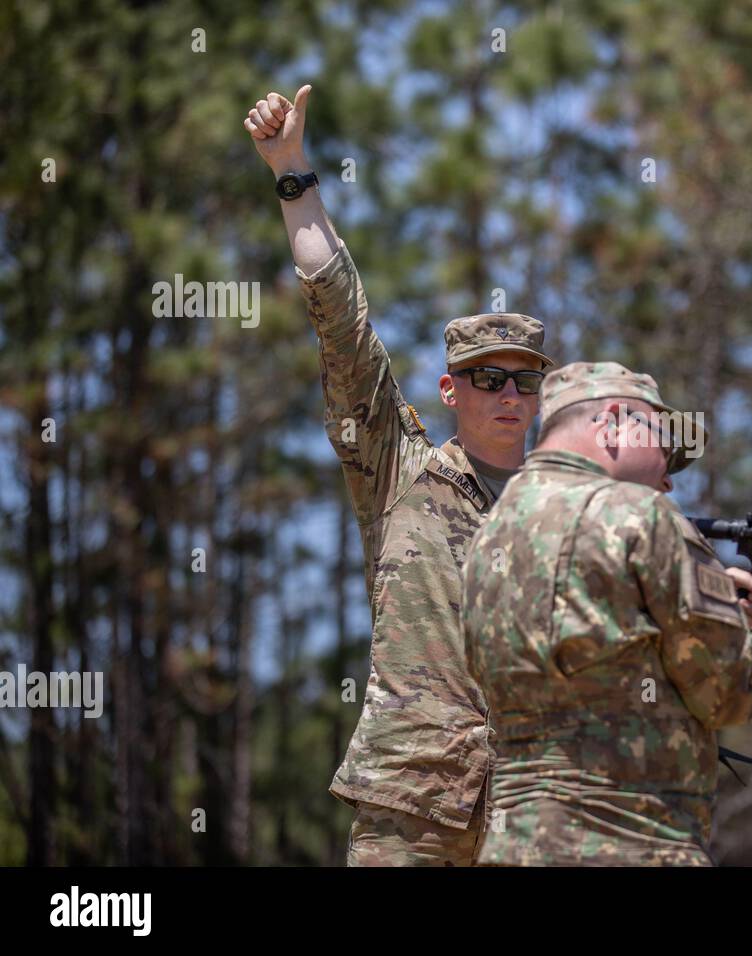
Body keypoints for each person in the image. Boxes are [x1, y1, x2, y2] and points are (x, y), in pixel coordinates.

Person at [244, 85, 555, 865]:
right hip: (411, 808)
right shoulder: (400, 471)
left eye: (524, 379)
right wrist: (293, 173)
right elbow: (342, 324)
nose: (508, 395)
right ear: (452, 390)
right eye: (489, 379)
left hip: (531, 815)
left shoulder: (565, 507)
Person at [461, 362, 752, 865]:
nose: (668, 481)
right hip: (629, 843)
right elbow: (731, 690)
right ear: (614, 420)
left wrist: (693, 611)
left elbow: (579, 661)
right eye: (662, 442)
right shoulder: (642, 517)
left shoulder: (490, 534)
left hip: (512, 846)